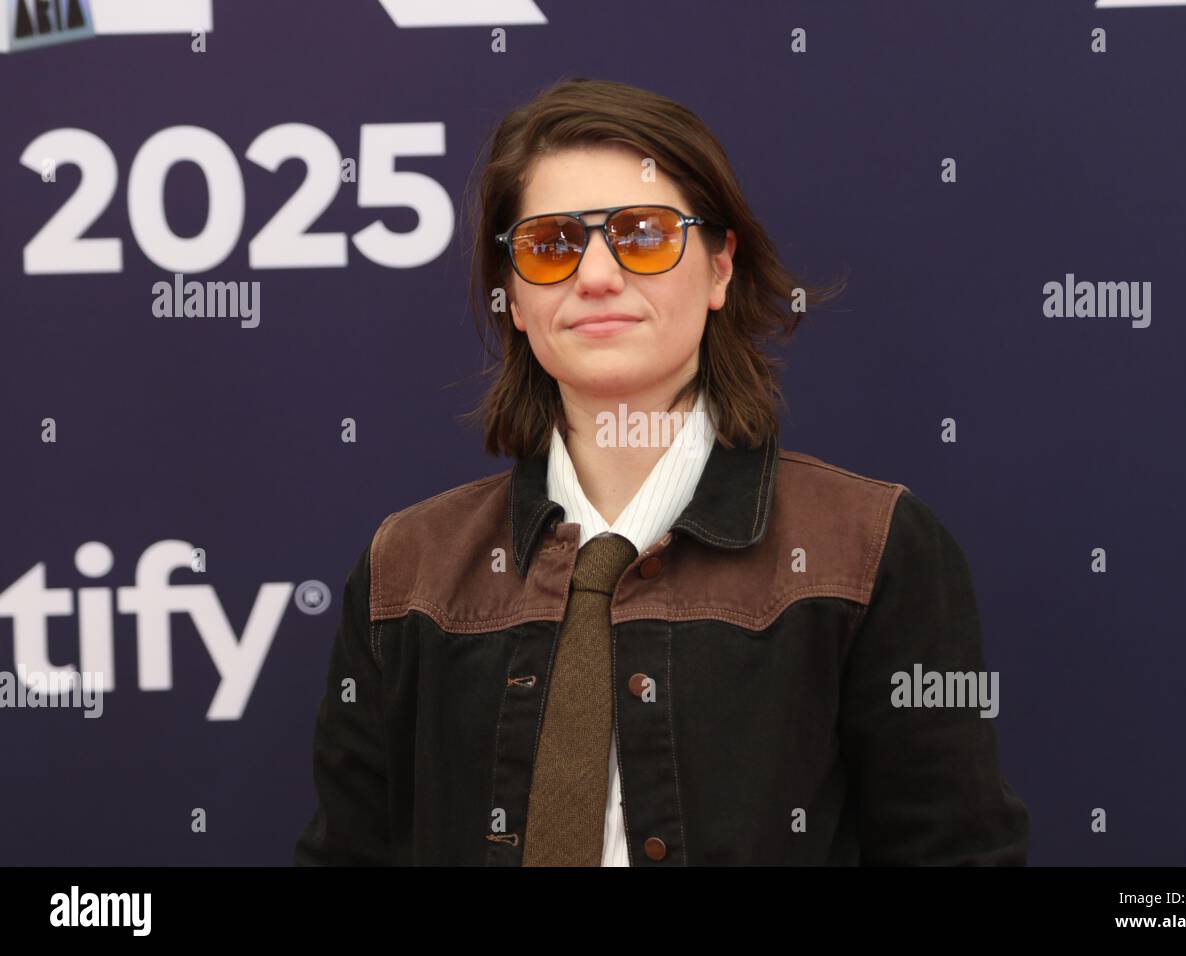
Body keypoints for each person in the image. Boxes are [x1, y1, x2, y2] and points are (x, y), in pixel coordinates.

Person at [293, 76, 1030, 866]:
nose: (598, 275)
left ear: (719, 269)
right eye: (551, 245)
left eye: (644, 234)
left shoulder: (872, 549)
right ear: (508, 290)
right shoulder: (407, 568)